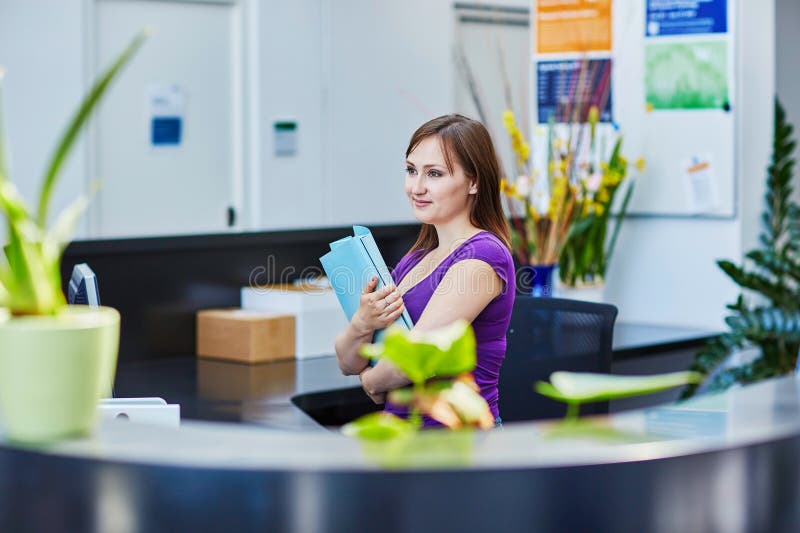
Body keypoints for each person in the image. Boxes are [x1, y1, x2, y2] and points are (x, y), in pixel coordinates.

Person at [334, 114, 516, 427]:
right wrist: (362, 323)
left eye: (434, 173)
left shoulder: (483, 256)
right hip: (405, 437)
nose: (416, 187)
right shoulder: (417, 257)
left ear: (473, 182)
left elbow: (414, 360)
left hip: (458, 444)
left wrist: (371, 381)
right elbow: (346, 361)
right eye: (411, 170)